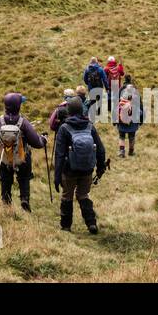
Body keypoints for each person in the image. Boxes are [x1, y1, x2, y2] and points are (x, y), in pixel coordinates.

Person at [53, 97, 107, 233]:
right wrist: (100, 168)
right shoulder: (90, 126)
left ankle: (66, 226)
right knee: (83, 195)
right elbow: (101, 149)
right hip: (87, 168)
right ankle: (91, 223)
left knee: (67, 196)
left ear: (68, 111)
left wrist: (57, 176)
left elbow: (59, 155)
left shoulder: (64, 128)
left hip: (69, 169)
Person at [0, 92, 46, 212]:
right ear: (18, 107)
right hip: (22, 157)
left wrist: (4, 140)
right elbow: (37, 143)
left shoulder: (0, 121)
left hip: (5, 157)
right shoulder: (23, 122)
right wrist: (43, 139)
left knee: (5, 180)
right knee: (24, 178)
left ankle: (6, 204)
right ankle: (24, 200)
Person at [116, 76, 142, 157]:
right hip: (133, 121)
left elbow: (116, 109)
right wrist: (141, 120)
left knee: (121, 136)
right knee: (132, 137)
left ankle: (121, 151)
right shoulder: (136, 98)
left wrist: (115, 120)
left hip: (121, 120)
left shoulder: (121, 97)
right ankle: (131, 151)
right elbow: (141, 110)